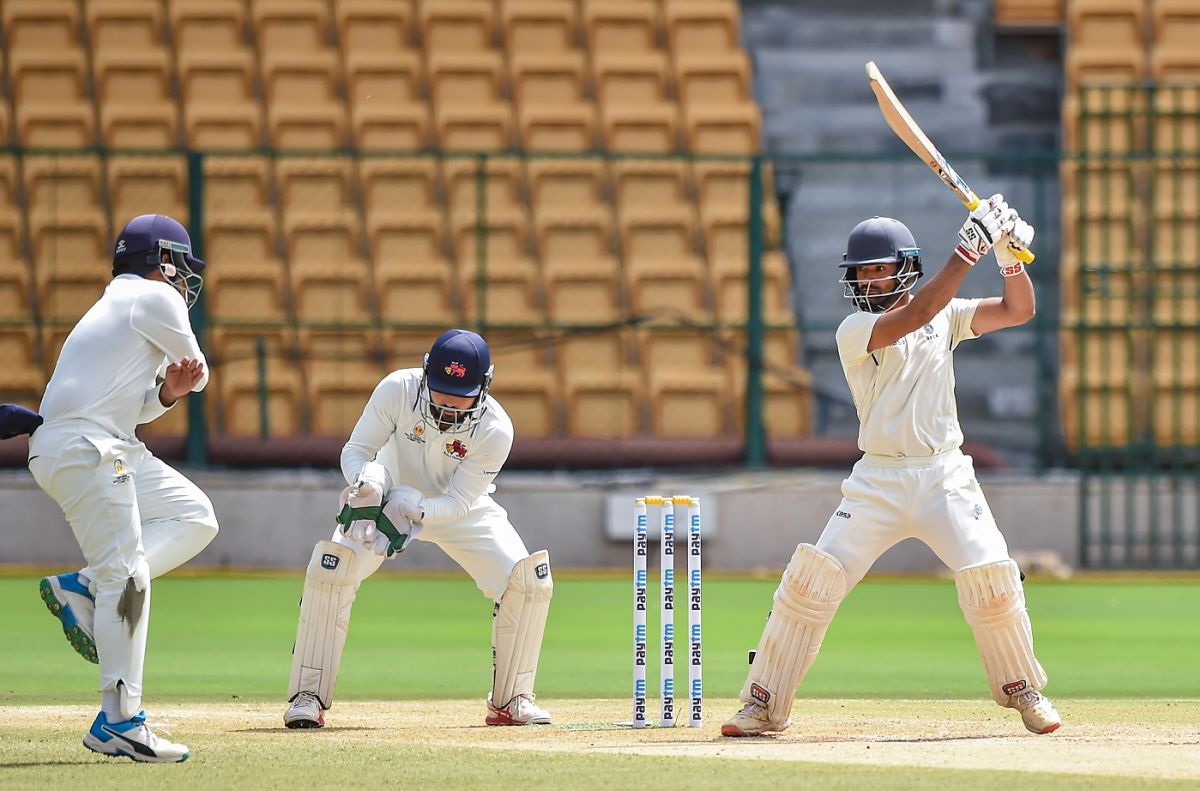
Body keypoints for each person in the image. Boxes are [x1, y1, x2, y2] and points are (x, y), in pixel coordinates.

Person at [722, 196, 1062, 737]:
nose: (871, 280)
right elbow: (917, 313)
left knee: (992, 578)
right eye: (863, 272)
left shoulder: (946, 314)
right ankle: (764, 702)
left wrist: (1006, 256)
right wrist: (968, 248)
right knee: (810, 583)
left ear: (905, 268)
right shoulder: (854, 330)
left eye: (881, 269)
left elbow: (1019, 310)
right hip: (877, 481)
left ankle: (1023, 689)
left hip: (945, 477)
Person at [283, 329, 554, 728]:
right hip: (385, 497)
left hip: (458, 509)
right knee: (332, 569)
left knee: (527, 582)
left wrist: (418, 508)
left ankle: (512, 699)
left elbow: (461, 501)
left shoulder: (496, 428)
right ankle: (308, 695)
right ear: (426, 374)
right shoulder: (397, 389)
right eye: (440, 391)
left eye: (461, 396)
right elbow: (356, 451)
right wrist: (367, 484)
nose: (447, 404)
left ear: (484, 386)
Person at [22, 214, 217, 762]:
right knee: (126, 573)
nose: (185, 282)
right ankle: (120, 720)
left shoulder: (118, 304)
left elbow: (136, 404)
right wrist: (190, 379)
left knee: (194, 516)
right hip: (86, 446)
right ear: (162, 262)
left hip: (104, 439)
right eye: (182, 268)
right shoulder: (155, 298)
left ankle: (83, 587)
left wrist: (167, 394)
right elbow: (199, 368)